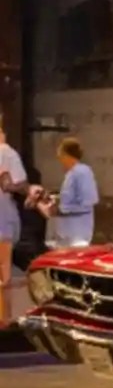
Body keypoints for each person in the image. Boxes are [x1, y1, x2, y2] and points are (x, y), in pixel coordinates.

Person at [39, 138, 99, 248]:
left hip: (77, 234)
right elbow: (69, 198)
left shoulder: (83, 172)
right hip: (64, 235)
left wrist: (62, 209)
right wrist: (55, 199)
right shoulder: (71, 174)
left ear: (67, 155)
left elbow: (87, 202)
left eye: (61, 154)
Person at [0, 126, 27, 313]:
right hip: (2, 217)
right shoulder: (7, 153)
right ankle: (4, 316)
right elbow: (19, 184)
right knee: (4, 267)